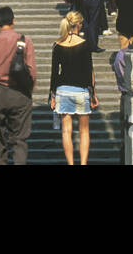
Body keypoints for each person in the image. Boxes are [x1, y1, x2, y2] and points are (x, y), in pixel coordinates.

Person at [0, 5, 36, 165]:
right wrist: (29, 90)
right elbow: (32, 71)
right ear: (13, 21)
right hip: (20, 94)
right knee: (19, 139)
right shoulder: (25, 41)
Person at [49, 11, 99, 165]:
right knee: (84, 131)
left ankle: (70, 163)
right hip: (80, 90)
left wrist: (52, 96)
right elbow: (89, 70)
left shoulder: (58, 45)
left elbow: (54, 73)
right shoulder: (84, 44)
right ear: (78, 24)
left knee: (66, 131)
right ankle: (83, 163)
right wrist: (93, 93)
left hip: (62, 90)